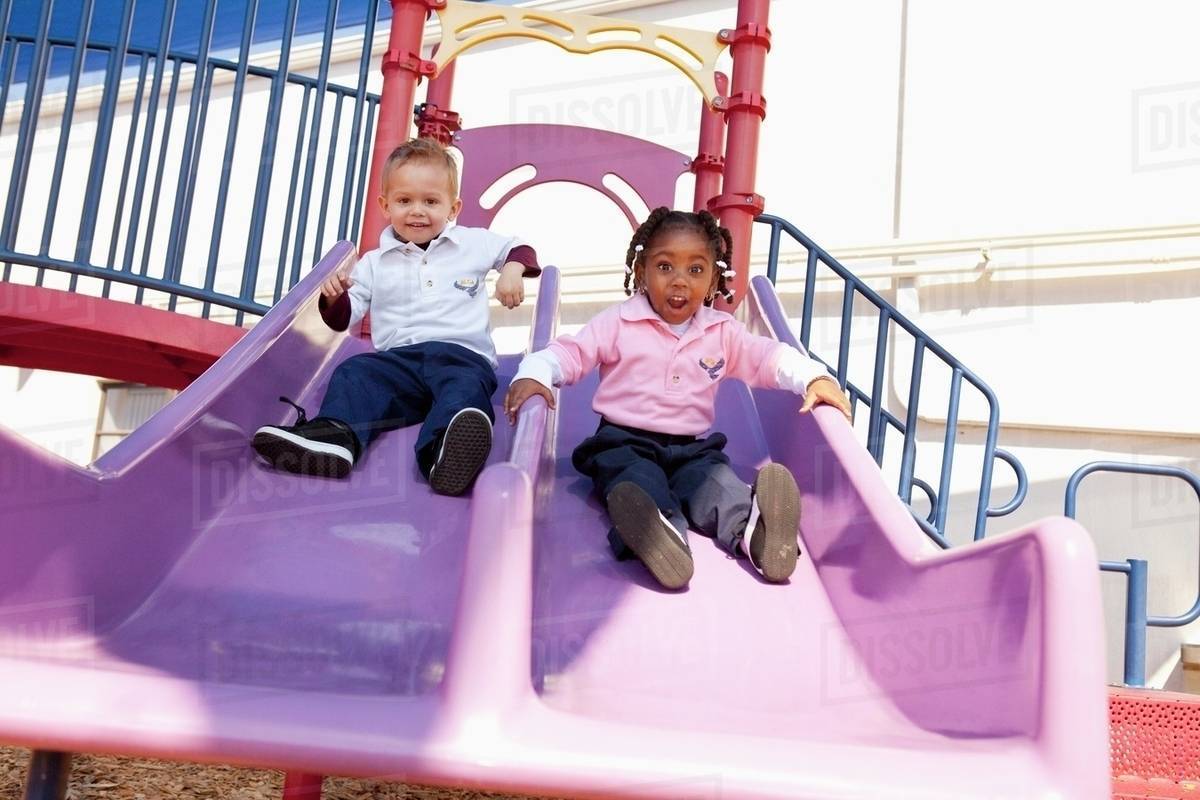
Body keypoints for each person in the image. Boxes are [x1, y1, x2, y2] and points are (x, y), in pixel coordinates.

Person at [504, 207, 849, 588]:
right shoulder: (619, 322)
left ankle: (759, 535)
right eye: (665, 267)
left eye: (696, 270)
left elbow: (767, 357)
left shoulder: (722, 331)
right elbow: (571, 352)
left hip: (691, 448)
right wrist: (536, 374)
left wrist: (814, 376)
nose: (680, 281)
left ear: (714, 277)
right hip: (623, 442)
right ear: (641, 273)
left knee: (719, 487)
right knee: (635, 483)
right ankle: (660, 537)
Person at [252, 138, 539, 495]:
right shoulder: (374, 262)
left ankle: (444, 453)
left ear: (453, 208)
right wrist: (334, 299)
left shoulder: (471, 243)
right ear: (385, 205)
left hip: (460, 356)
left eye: (431, 201)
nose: (417, 211)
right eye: (404, 201)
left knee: (463, 389)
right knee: (356, 371)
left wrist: (511, 271)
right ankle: (335, 439)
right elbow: (346, 317)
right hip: (398, 364)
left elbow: (519, 248)